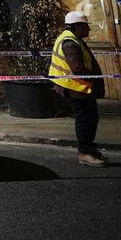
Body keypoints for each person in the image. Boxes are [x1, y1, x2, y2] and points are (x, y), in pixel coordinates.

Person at [49, 11, 106, 165]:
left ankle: (89, 148)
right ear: (76, 27)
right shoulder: (70, 42)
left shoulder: (73, 38)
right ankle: (85, 153)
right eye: (85, 26)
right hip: (76, 88)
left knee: (90, 118)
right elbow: (78, 68)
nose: (89, 29)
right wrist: (93, 79)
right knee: (85, 120)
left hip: (80, 87)